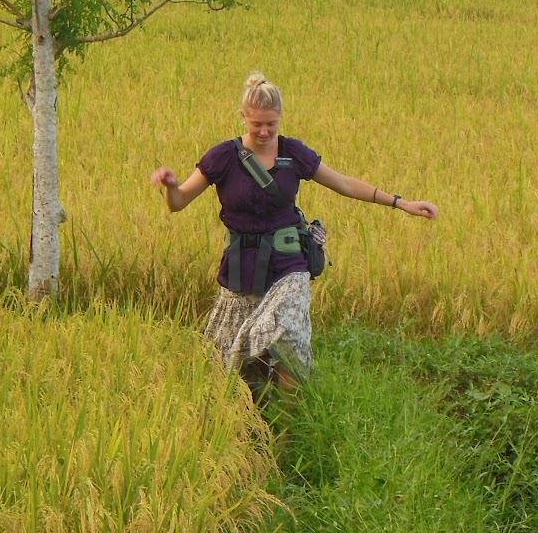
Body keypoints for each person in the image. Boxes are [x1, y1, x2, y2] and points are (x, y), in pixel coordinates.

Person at [151, 72, 438, 395]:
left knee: (287, 338)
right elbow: (179, 203)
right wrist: (172, 186)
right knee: (230, 364)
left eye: (271, 124)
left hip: (288, 264)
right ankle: (251, 426)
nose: (263, 131)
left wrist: (401, 203)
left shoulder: (295, 153)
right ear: (243, 117)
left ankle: (290, 429)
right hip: (240, 268)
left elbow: (343, 183)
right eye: (256, 123)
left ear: (281, 118)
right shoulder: (223, 157)